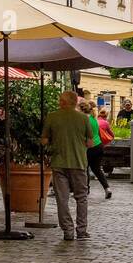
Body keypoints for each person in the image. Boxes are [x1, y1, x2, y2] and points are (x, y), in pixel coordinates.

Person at [42, 90, 93, 241]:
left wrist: (53, 142)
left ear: (63, 102)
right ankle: (81, 230)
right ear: (75, 102)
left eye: (60, 100)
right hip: (78, 162)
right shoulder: (84, 118)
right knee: (81, 197)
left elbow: (44, 141)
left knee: (62, 199)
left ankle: (68, 231)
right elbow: (90, 142)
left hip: (59, 163)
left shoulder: (52, 117)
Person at [80, 101, 112, 199]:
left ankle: (86, 190)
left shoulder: (84, 120)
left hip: (89, 147)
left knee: (85, 168)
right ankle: (107, 188)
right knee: (97, 169)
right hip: (99, 146)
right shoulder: (94, 119)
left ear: (82, 110)